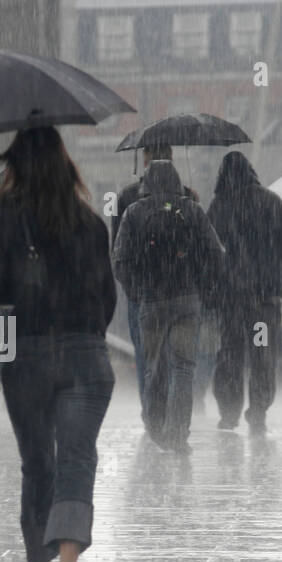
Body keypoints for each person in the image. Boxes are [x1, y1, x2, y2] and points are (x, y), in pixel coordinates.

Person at [0, 128, 115, 562]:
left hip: (27, 355)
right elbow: (107, 299)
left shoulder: (6, 218)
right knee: (77, 462)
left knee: (38, 464)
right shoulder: (90, 223)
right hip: (85, 355)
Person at [113, 159, 224, 453]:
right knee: (184, 369)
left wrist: (137, 290)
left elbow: (119, 261)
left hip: (152, 300)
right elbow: (216, 253)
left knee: (155, 367)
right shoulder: (193, 210)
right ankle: (179, 434)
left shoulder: (133, 213)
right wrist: (201, 284)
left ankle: (155, 425)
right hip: (187, 301)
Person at [207, 152, 282, 436]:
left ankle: (229, 412)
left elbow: (207, 253)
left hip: (231, 302)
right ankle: (257, 411)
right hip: (264, 303)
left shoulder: (219, 206)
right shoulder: (272, 203)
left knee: (230, 353)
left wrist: (212, 293)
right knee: (262, 356)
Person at [113, 144, 172, 398]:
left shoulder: (126, 197)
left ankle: (150, 410)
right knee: (173, 354)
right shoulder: (183, 198)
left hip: (141, 291)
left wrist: (131, 286)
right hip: (175, 290)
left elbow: (117, 250)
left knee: (143, 353)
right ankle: (169, 410)